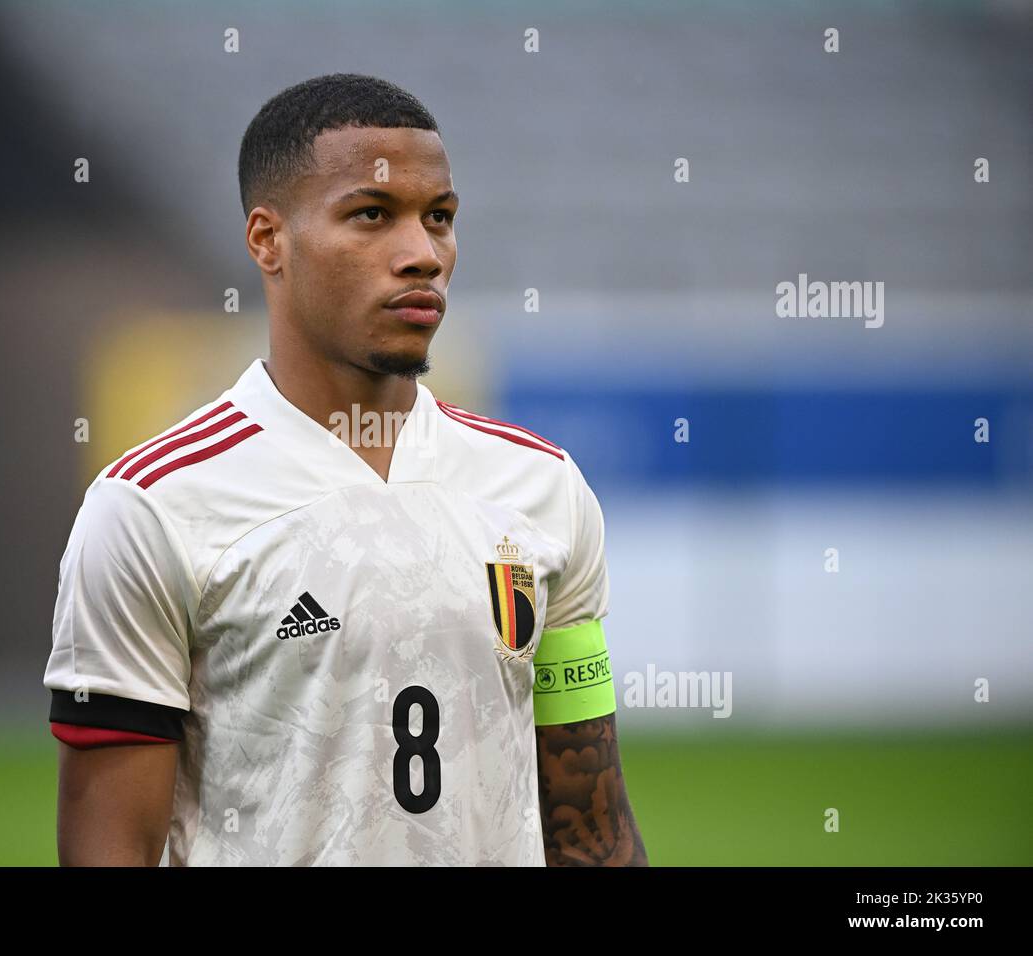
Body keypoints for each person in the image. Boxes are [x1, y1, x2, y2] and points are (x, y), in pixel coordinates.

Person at [46, 73, 646, 866]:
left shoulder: (543, 488)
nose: (422, 255)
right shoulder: (153, 507)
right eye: (372, 215)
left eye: (440, 219)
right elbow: (110, 850)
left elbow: (591, 827)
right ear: (268, 240)